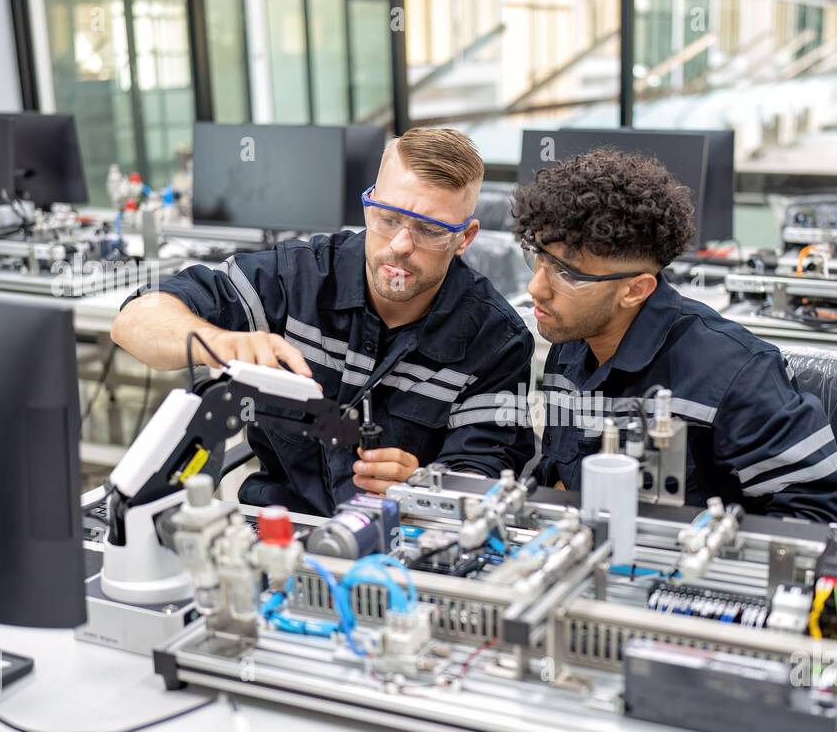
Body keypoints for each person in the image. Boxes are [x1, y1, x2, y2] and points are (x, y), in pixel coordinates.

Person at [112, 127, 534, 515]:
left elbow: (486, 475)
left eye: (429, 229)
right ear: (367, 204)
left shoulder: (496, 339)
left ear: (464, 238)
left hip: (406, 542)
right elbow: (136, 318)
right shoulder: (296, 278)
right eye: (388, 218)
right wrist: (217, 342)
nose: (402, 245)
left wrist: (424, 486)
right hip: (279, 528)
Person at [513, 147, 837, 524]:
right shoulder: (570, 344)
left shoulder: (736, 374)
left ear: (635, 290)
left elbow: (829, 522)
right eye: (539, 257)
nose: (537, 287)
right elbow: (563, 474)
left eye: (566, 273)